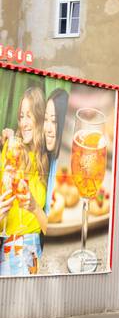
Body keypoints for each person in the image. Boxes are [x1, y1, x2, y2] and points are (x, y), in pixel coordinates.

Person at [0, 85, 50, 276]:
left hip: (33, 250)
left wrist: (35, 207)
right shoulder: (11, 151)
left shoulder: (46, 163)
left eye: (29, 115)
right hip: (8, 248)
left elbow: (48, 228)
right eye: (21, 116)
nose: (24, 122)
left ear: (39, 117)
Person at [44, 87, 69, 206]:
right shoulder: (45, 158)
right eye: (45, 119)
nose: (47, 129)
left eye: (54, 121)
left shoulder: (65, 166)